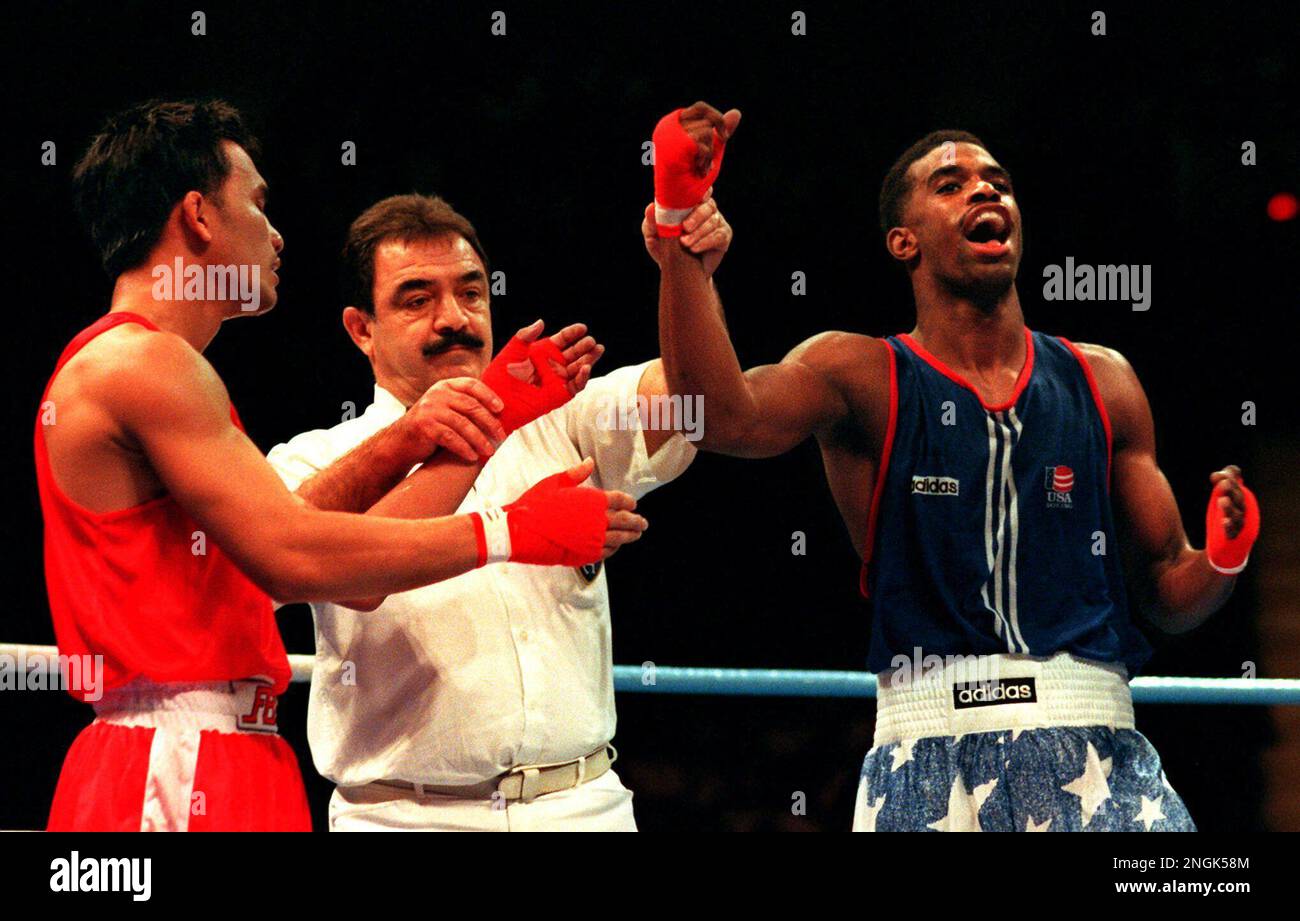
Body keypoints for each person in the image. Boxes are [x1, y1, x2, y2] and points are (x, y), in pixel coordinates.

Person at [646, 103, 1260, 831]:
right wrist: (679, 228)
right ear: (903, 241)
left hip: (1096, 746)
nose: (985, 191)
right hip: (922, 750)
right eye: (951, 183)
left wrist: (1222, 559)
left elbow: (1165, 588)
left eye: (997, 180)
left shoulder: (1105, 380)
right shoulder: (859, 373)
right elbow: (719, 418)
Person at [36, 99, 644, 831]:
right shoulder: (144, 363)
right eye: (257, 203)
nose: (277, 233)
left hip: (222, 742)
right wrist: (512, 532)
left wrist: (465, 424)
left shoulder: (157, 368)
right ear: (198, 216)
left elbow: (292, 532)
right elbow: (294, 561)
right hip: (175, 755)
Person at [267, 191, 724, 830]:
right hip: (404, 818)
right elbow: (290, 576)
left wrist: (684, 268)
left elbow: (703, 402)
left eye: (472, 292)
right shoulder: (311, 464)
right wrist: (485, 424)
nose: (454, 318)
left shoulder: (568, 420)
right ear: (360, 328)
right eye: (417, 299)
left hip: (584, 805)